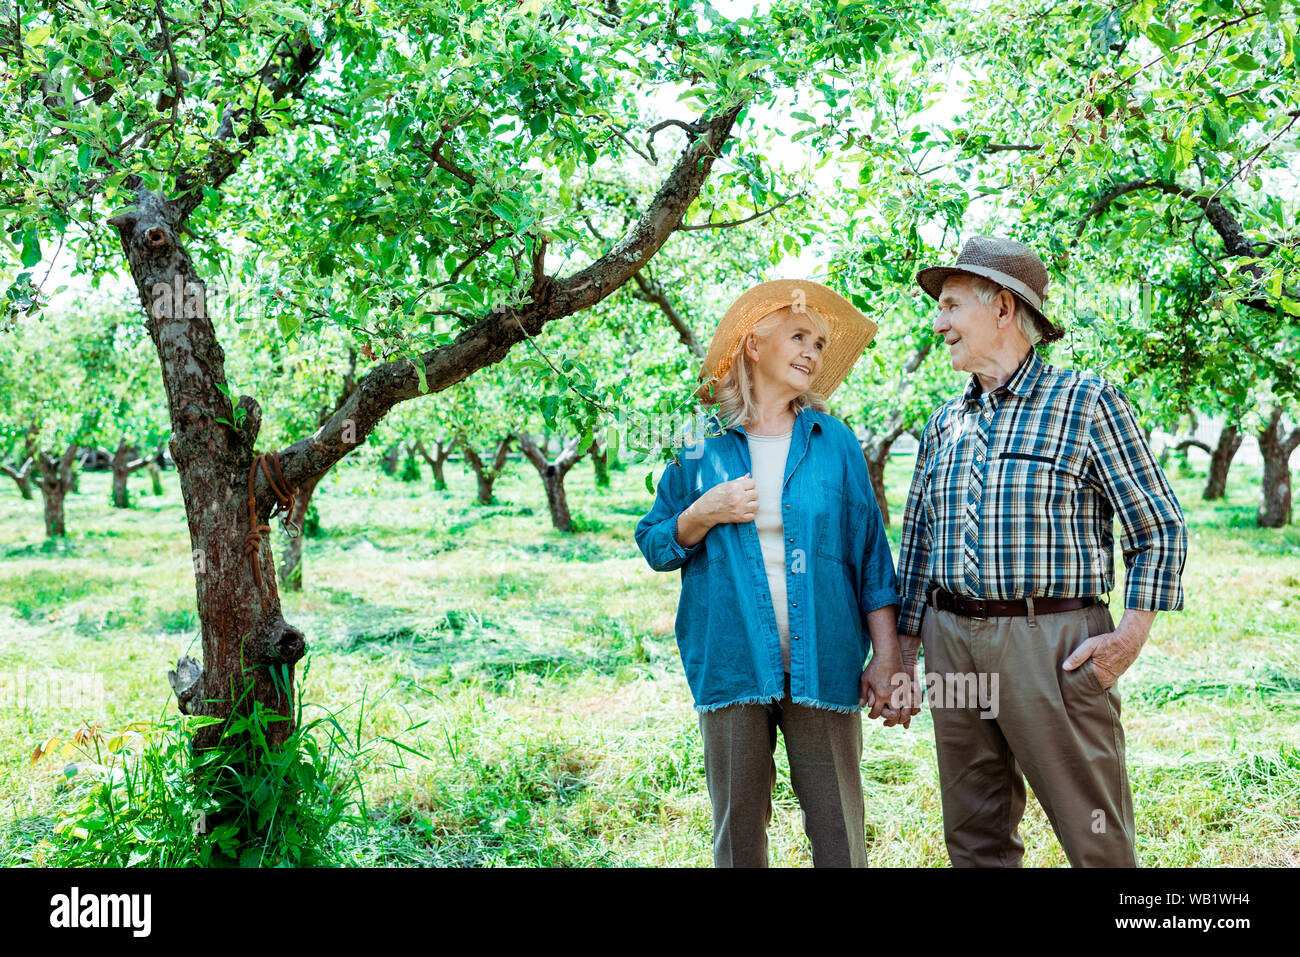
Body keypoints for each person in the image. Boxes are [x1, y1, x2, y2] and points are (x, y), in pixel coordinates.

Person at [894, 235, 1188, 867]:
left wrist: (1127, 638)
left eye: (950, 305)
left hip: (1049, 642)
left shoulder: (1086, 403)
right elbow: (917, 545)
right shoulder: (945, 421)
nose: (938, 322)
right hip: (951, 641)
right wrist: (904, 651)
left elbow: (1157, 528)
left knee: (1095, 835)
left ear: (1002, 309)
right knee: (974, 831)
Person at [634, 279, 909, 868]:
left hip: (826, 660)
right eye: (800, 337)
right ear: (754, 347)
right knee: (738, 837)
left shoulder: (834, 443)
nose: (812, 351)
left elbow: (871, 556)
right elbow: (656, 545)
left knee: (839, 831)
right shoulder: (698, 447)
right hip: (732, 659)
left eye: (820, 342)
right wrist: (699, 514)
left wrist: (887, 660)